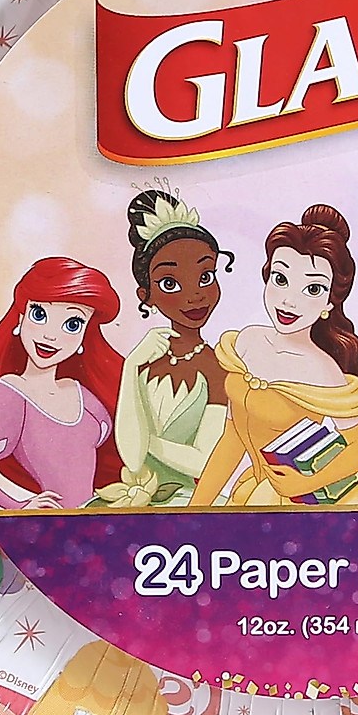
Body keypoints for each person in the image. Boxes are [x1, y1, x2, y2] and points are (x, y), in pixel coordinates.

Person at [190, 204, 358, 508]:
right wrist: (194, 509)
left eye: (313, 289)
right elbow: (232, 439)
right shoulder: (247, 341)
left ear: (329, 303)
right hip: (254, 489)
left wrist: (306, 483)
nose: (290, 301)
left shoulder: (322, 369)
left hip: (296, 499)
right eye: (280, 279)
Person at [0, 257, 124, 510]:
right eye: (39, 314)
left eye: (72, 324)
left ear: (85, 334)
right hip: (50, 524)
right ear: (20, 318)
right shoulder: (6, 398)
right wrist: (15, 505)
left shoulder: (85, 399)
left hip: (95, 518)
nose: (50, 335)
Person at [102, 189, 233, 507]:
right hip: (126, 496)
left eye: (205, 276)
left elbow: (205, 462)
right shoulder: (142, 359)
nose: (194, 295)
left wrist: (146, 440)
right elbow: (131, 458)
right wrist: (132, 366)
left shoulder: (216, 366)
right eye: (170, 283)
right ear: (146, 295)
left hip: (187, 499)